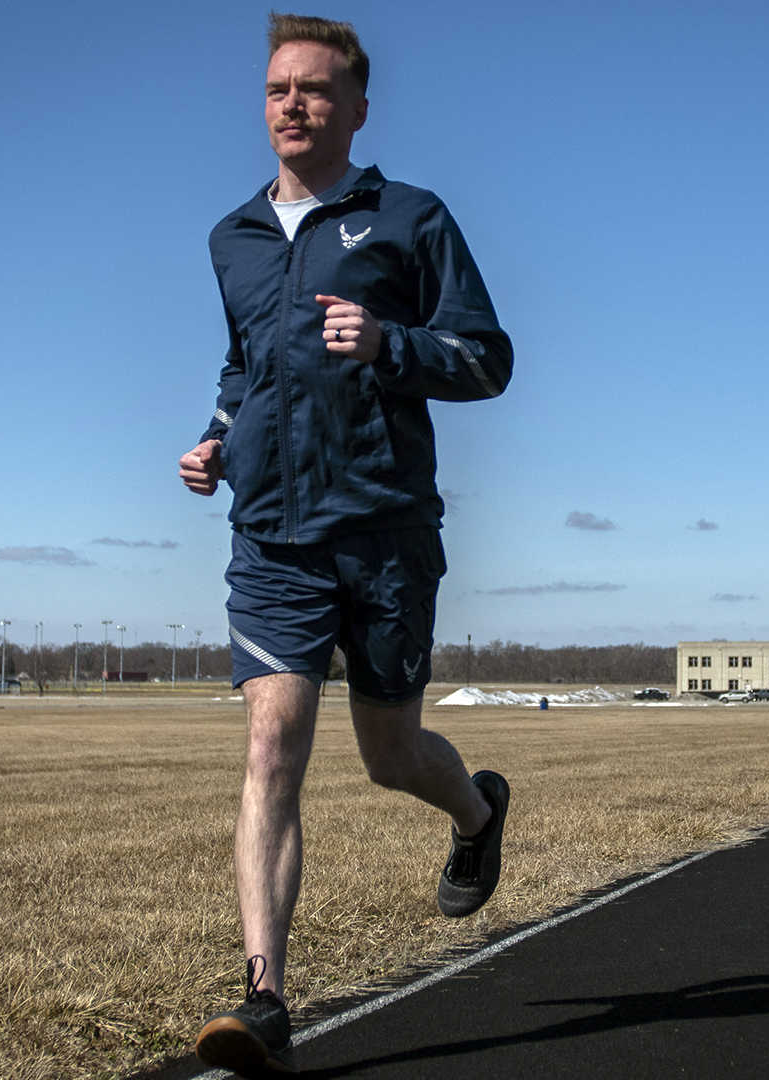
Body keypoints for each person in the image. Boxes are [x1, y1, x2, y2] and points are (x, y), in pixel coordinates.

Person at [177, 13, 513, 1077]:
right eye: (278, 88)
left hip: (384, 533)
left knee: (388, 756)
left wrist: (390, 342)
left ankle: (474, 808)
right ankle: (265, 997)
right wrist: (218, 441)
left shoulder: (410, 218)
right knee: (271, 751)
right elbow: (247, 371)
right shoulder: (230, 236)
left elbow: (487, 359)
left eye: (316, 90)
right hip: (271, 532)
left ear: (358, 108)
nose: (292, 105)